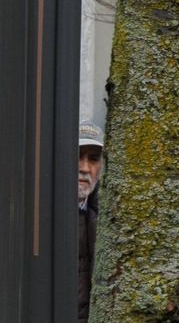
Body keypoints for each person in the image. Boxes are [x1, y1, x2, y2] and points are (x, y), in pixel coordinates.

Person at [76, 122, 105, 323]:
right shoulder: (42, 215)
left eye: (93, 159)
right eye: (77, 156)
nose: (84, 168)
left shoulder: (108, 215)